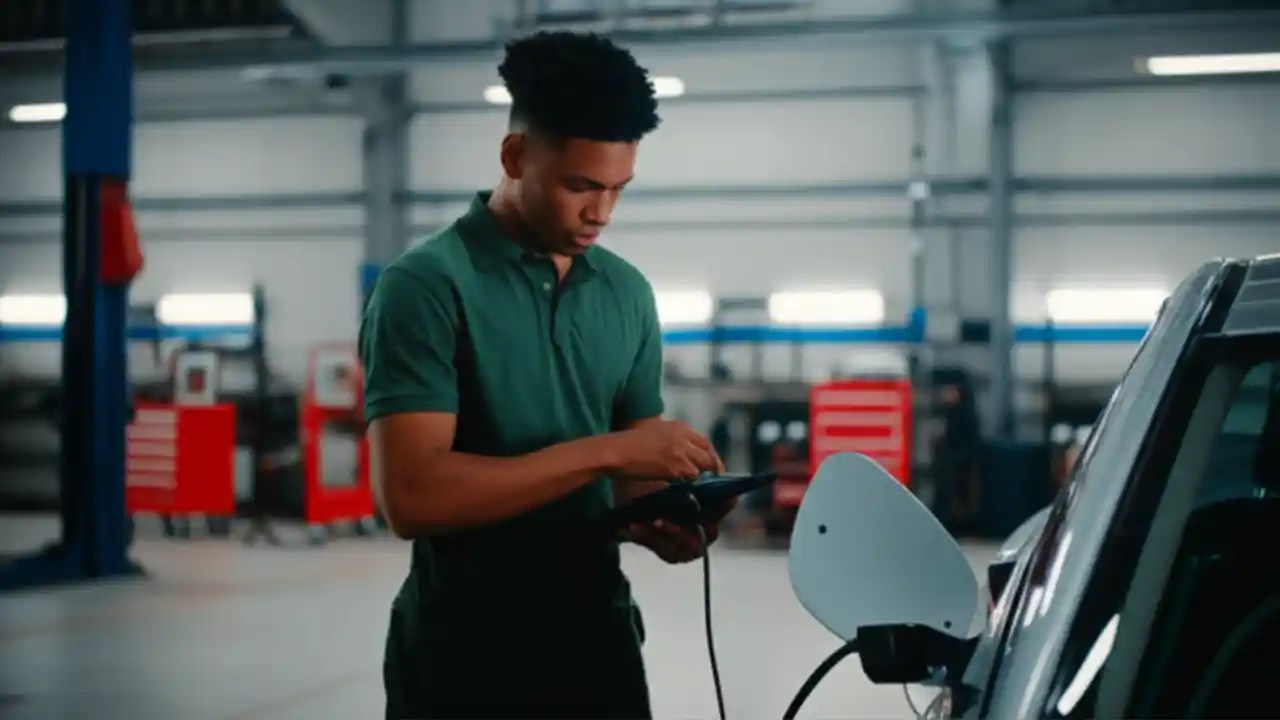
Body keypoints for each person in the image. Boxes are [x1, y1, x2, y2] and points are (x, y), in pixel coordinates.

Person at [359, 30, 734, 720]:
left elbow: (631, 476)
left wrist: (674, 518)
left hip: (599, 647)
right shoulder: (428, 286)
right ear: (514, 155)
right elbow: (411, 497)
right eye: (580, 186)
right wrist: (610, 451)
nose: (601, 213)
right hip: (464, 660)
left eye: (619, 189)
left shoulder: (625, 293)